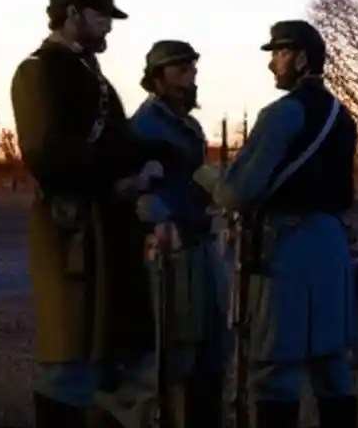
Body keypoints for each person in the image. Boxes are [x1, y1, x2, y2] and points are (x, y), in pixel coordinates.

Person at [11, 0, 170, 428]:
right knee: (70, 365)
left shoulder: (92, 76)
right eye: (101, 13)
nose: (109, 25)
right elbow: (46, 153)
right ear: (73, 12)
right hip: (73, 235)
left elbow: (117, 141)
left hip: (111, 234)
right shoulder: (38, 72)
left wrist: (155, 159)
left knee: (118, 363)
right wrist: (116, 180)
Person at [193, 20, 358, 428]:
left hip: (286, 248)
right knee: (332, 366)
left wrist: (200, 173)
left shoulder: (282, 114)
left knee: (276, 370)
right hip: (331, 244)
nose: (272, 64)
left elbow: (238, 192)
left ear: (301, 58)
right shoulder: (344, 118)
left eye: (279, 54)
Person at [129, 41, 228, 428]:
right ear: (157, 79)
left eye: (193, 71)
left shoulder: (189, 124)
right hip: (171, 252)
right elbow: (139, 191)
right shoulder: (144, 127)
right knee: (175, 356)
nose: (191, 79)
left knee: (212, 351)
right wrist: (158, 219)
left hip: (201, 243)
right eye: (181, 71)